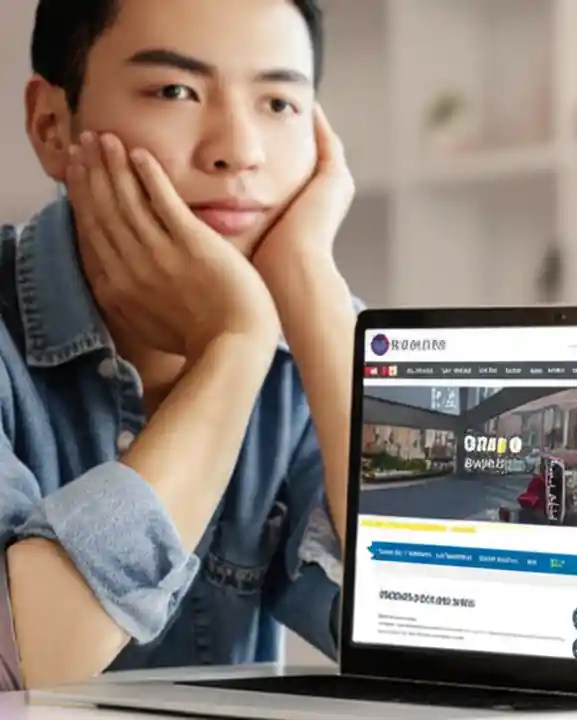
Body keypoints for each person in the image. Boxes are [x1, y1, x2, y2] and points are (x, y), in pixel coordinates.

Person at [0, 0, 358, 690]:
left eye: (278, 103)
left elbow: (455, 635)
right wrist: (234, 346)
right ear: (52, 125)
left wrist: (314, 289)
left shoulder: (320, 337)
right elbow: (19, 664)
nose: (239, 151)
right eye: (175, 91)